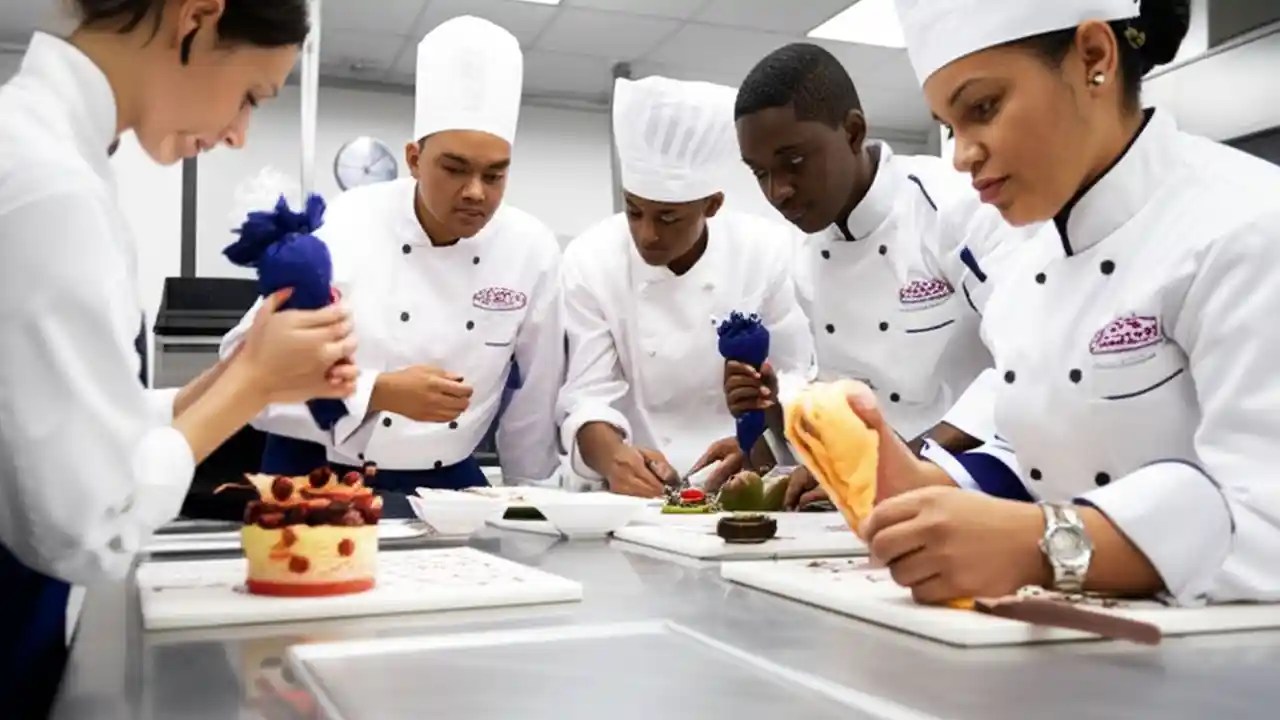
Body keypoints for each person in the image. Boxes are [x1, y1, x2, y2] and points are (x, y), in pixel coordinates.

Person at [853, 0, 1280, 606]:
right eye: (950, 126)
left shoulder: (1248, 226)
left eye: (983, 108)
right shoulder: (1025, 267)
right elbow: (1043, 463)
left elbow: (1267, 527)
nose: (961, 155)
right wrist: (918, 482)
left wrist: (1047, 548)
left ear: (1093, 58)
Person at [0, 1, 355, 715]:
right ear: (195, 18)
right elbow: (89, 530)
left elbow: (77, 424)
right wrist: (251, 384)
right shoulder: (48, 187)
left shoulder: (41, 150)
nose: (238, 134)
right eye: (250, 96)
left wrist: (240, 374)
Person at [221, 16, 564, 515]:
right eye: (454, 169)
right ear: (414, 159)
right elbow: (244, 361)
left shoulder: (531, 249)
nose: (475, 192)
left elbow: (534, 401)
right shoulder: (345, 223)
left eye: (494, 175)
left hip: (449, 482)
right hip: (316, 468)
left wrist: (533, 504)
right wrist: (374, 392)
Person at [728, 43, 1021, 508]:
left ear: (852, 131)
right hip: (879, 498)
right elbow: (844, 400)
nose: (777, 191)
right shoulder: (802, 253)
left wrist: (899, 465)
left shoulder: (955, 205)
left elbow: (1024, 364)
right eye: (759, 173)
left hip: (983, 485)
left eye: (794, 162)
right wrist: (776, 417)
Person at [557, 76, 814, 497]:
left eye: (668, 217)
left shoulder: (764, 252)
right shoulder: (592, 258)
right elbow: (587, 393)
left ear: (712, 205)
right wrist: (613, 458)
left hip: (742, 482)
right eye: (633, 211)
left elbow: (798, 379)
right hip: (630, 487)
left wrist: (761, 446)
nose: (647, 235)